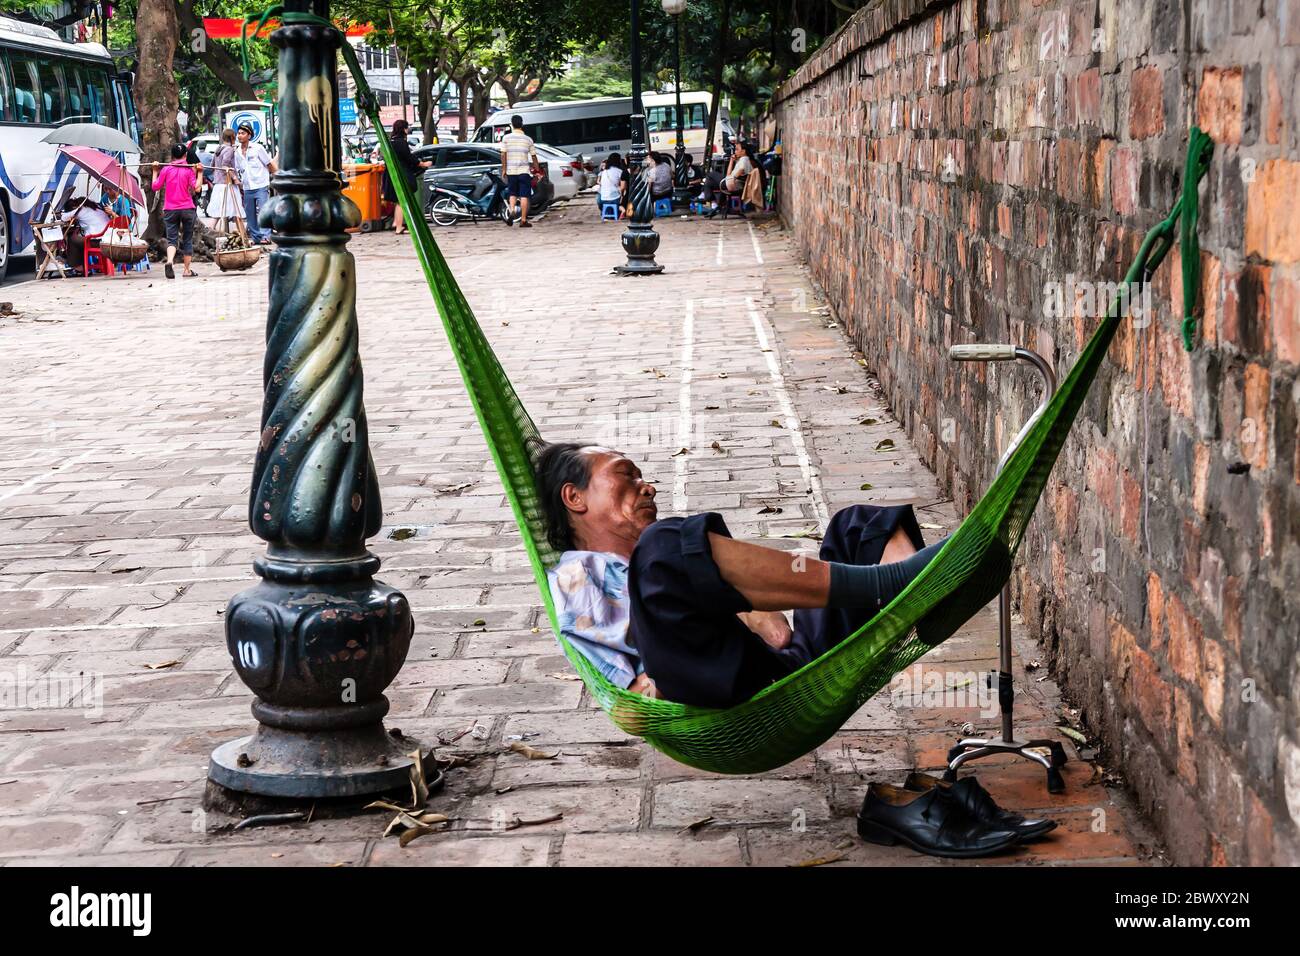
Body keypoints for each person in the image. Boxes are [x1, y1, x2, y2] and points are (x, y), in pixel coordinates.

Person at [536, 442, 951, 708]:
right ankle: (894, 585)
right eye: (626, 474)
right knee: (663, 544)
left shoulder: (666, 566)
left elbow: (778, 632)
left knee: (856, 524)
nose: (648, 487)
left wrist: (746, 609)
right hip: (713, 687)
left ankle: (922, 598)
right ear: (574, 497)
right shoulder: (577, 576)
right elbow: (627, 701)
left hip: (773, 665)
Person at [151, 142, 202, 278]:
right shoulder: (188, 170)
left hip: (170, 209)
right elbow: (197, 188)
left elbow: (155, 186)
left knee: (172, 239)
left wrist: (155, 171)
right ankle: (186, 270)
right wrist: (200, 173)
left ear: (172, 156)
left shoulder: (166, 169)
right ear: (185, 155)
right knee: (187, 239)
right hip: (187, 209)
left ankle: (169, 261)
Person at [381, 119, 429, 235]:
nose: (408, 130)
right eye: (407, 127)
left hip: (391, 174)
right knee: (401, 201)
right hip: (401, 174)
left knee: (399, 201)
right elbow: (409, 158)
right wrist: (422, 164)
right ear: (403, 129)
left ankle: (397, 223)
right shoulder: (401, 142)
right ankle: (398, 226)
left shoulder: (390, 142)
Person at [235, 123, 276, 245]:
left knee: (264, 211)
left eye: (243, 133)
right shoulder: (237, 151)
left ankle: (266, 236)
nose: (240, 136)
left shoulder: (258, 148)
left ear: (249, 135)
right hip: (247, 186)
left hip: (261, 184)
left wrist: (277, 177)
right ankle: (256, 237)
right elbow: (238, 169)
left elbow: (269, 164)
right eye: (239, 133)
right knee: (250, 214)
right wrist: (239, 182)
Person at [499, 114, 538, 228]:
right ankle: (523, 220)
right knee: (524, 195)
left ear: (512, 125)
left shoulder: (506, 138)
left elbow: (503, 154)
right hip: (524, 171)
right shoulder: (528, 139)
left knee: (512, 193)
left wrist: (504, 169)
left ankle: (512, 211)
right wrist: (537, 169)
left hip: (511, 171)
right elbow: (534, 156)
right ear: (522, 124)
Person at [699, 139, 754, 218]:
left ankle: (710, 200)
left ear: (743, 151)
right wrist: (732, 161)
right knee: (710, 182)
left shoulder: (744, 160)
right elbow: (728, 174)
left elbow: (740, 170)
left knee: (710, 175)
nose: (735, 151)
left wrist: (733, 178)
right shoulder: (743, 160)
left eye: (737, 149)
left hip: (732, 184)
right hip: (731, 182)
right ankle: (715, 203)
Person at [206, 129, 245, 232]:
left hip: (218, 184)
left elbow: (212, 166)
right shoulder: (229, 150)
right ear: (232, 137)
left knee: (218, 213)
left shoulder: (219, 148)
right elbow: (225, 165)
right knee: (237, 211)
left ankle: (210, 232)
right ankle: (243, 237)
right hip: (228, 184)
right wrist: (235, 178)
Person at [59, 195, 112, 269]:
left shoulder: (80, 210)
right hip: (108, 238)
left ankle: (77, 267)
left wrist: (72, 215)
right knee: (79, 239)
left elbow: (63, 218)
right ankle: (81, 265)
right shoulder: (96, 207)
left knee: (72, 239)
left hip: (98, 241)